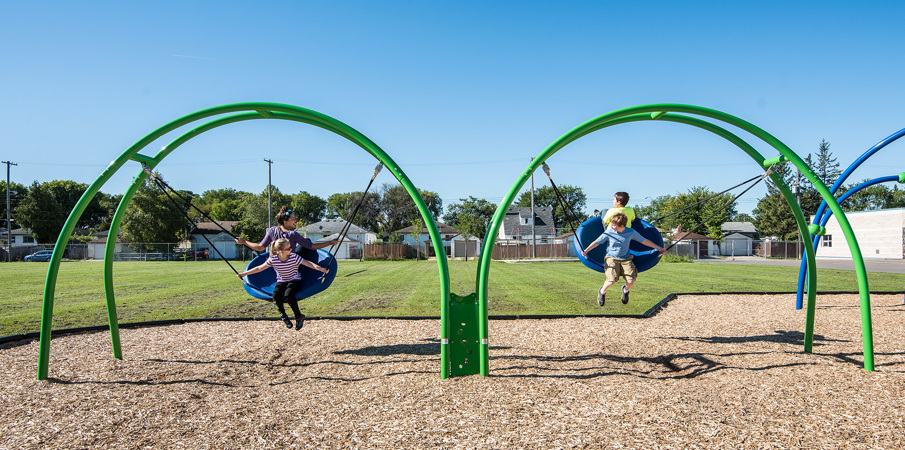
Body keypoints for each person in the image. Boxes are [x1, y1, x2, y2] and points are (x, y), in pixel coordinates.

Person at [237, 238, 329, 330]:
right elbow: (259, 268)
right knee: (275, 296)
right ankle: (284, 316)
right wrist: (244, 274)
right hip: (281, 281)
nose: (291, 250)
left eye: (290, 248)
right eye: (288, 249)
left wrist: (321, 269)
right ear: (281, 251)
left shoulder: (294, 257)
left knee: (288, 295)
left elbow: (308, 263)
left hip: (294, 280)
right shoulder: (273, 259)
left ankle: (299, 316)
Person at [581, 212, 666, 306]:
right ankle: (602, 291)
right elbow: (597, 242)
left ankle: (625, 291)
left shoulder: (631, 232)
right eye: (611, 224)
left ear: (622, 226)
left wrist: (659, 248)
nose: (611, 226)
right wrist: (586, 251)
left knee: (631, 280)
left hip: (626, 259)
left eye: (614, 225)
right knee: (612, 280)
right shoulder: (609, 232)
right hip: (611, 258)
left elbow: (644, 241)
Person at [235, 206, 338, 259]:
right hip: (289, 261)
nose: (295, 221)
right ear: (285, 222)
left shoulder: (272, 230)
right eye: (292, 219)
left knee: (305, 242)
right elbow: (310, 246)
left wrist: (244, 242)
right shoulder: (292, 234)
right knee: (307, 241)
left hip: (276, 261)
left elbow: (260, 247)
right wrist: (330, 242)